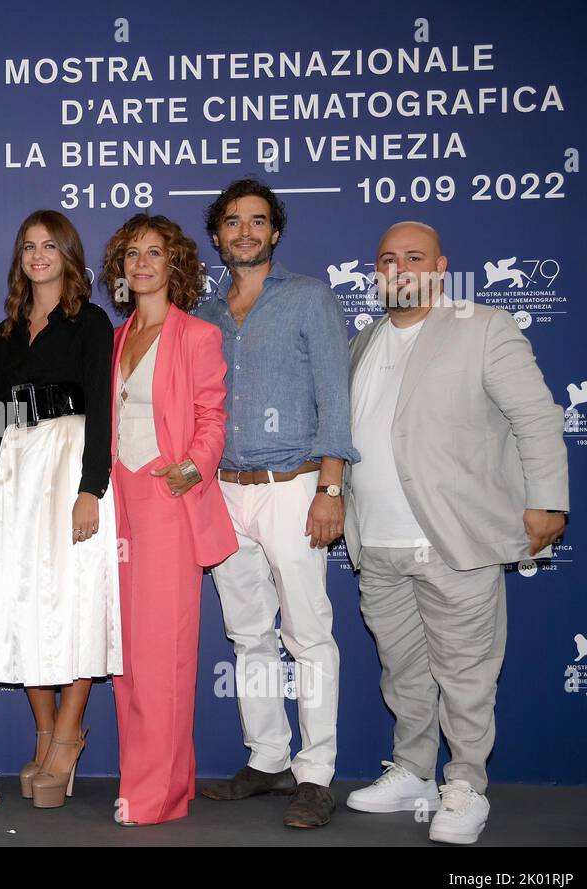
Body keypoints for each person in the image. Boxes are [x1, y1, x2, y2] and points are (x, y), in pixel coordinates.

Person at [342, 222, 567, 844]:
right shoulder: (362, 341)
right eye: (387, 259)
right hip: (378, 542)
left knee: (466, 671)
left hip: (454, 537)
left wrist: (548, 500)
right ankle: (414, 771)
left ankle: (465, 784)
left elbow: (536, 417)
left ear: (440, 267)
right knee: (403, 669)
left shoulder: (483, 326)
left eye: (413, 257)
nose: (400, 268)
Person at [195, 179, 359, 829]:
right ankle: (268, 758)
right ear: (217, 235)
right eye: (233, 222)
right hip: (223, 491)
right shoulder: (205, 314)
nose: (245, 232)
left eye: (257, 221)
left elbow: (335, 399)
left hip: (294, 484)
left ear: (275, 232)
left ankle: (316, 772)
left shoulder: (310, 298)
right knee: (248, 633)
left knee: (309, 633)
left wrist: (331, 487)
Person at [0, 210, 120, 809]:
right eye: (28, 245)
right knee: (24, 601)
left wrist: (93, 487)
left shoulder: (90, 322)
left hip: (69, 465)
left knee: (76, 600)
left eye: (49, 245)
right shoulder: (5, 332)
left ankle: (68, 736)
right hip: (16, 470)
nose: (38, 255)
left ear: (68, 254)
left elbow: (103, 409)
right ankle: (42, 734)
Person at [102, 214, 236, 825]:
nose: (141, 263)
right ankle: (149, 783)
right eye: (132, 254)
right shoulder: (116, 336)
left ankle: (157, 795)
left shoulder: (197, 335)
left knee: (164, 653)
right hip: (118, 501)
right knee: (128, 655)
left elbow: (212, 415)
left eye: (154, 253)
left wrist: (193, 466)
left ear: (174, 265)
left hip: (166, 495)